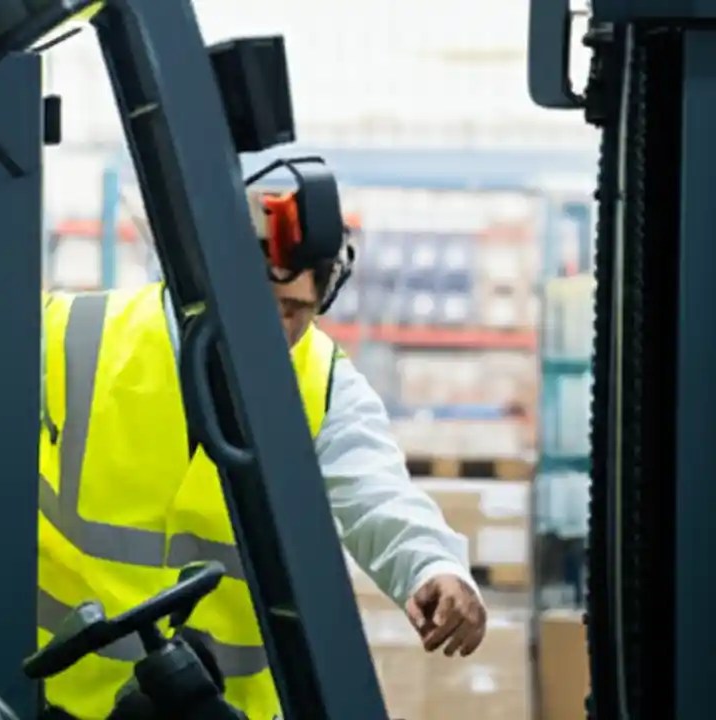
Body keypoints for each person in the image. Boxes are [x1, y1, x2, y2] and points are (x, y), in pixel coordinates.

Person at [37, 181, 490, 719]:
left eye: (296, 311)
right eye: (262, 307)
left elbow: (376, 492)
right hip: (65, 703)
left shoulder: (321, 382)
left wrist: (432, 566)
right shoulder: (71, 336)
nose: (276, 331)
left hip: (224, 707)